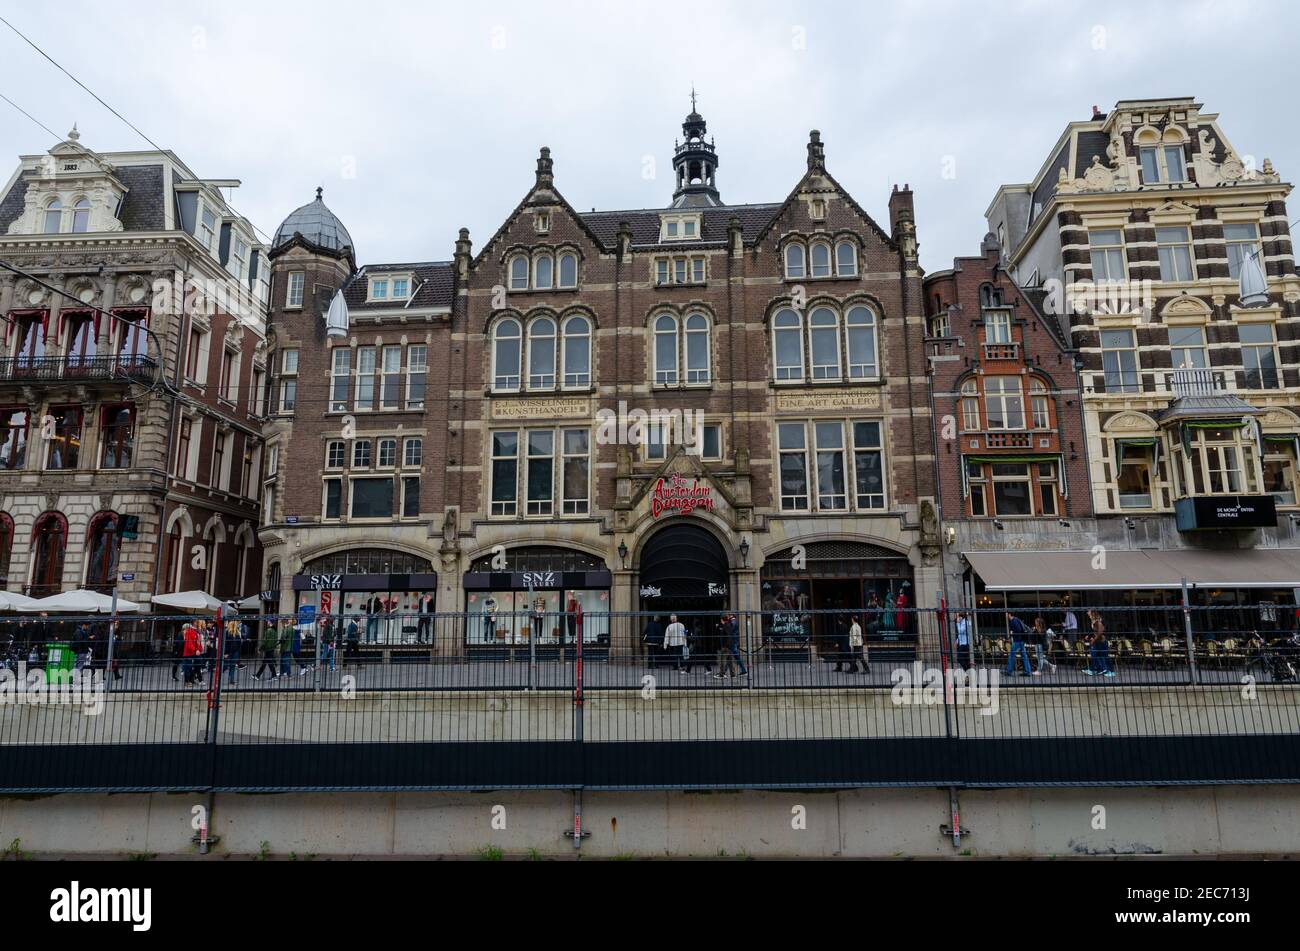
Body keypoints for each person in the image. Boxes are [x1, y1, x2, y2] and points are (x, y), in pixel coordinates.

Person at [1083, 611, 1115, 677]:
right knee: (1096, 654)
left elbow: (1100, 632)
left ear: (1093, 613)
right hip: (1098, 641)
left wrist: (1093, 640)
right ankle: (1097, 669)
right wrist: (1090, 637)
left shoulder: (1098, 621)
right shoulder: (1093, 621)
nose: (1087, 613)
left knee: (1104, 655)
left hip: (1101, 641)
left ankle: (1110, 671)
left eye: (1089, 612)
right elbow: (1094, 632)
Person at [717, 614, 748, 679]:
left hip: (732, 642)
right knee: (730, 658)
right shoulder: (732, 622)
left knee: (733, 657)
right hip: (732, 642)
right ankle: (727, 672)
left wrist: (725, 624)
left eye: (729, 616)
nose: (728, 617)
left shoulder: (732, 622)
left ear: (732, 616)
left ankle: (724, 672)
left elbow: (729, 630)